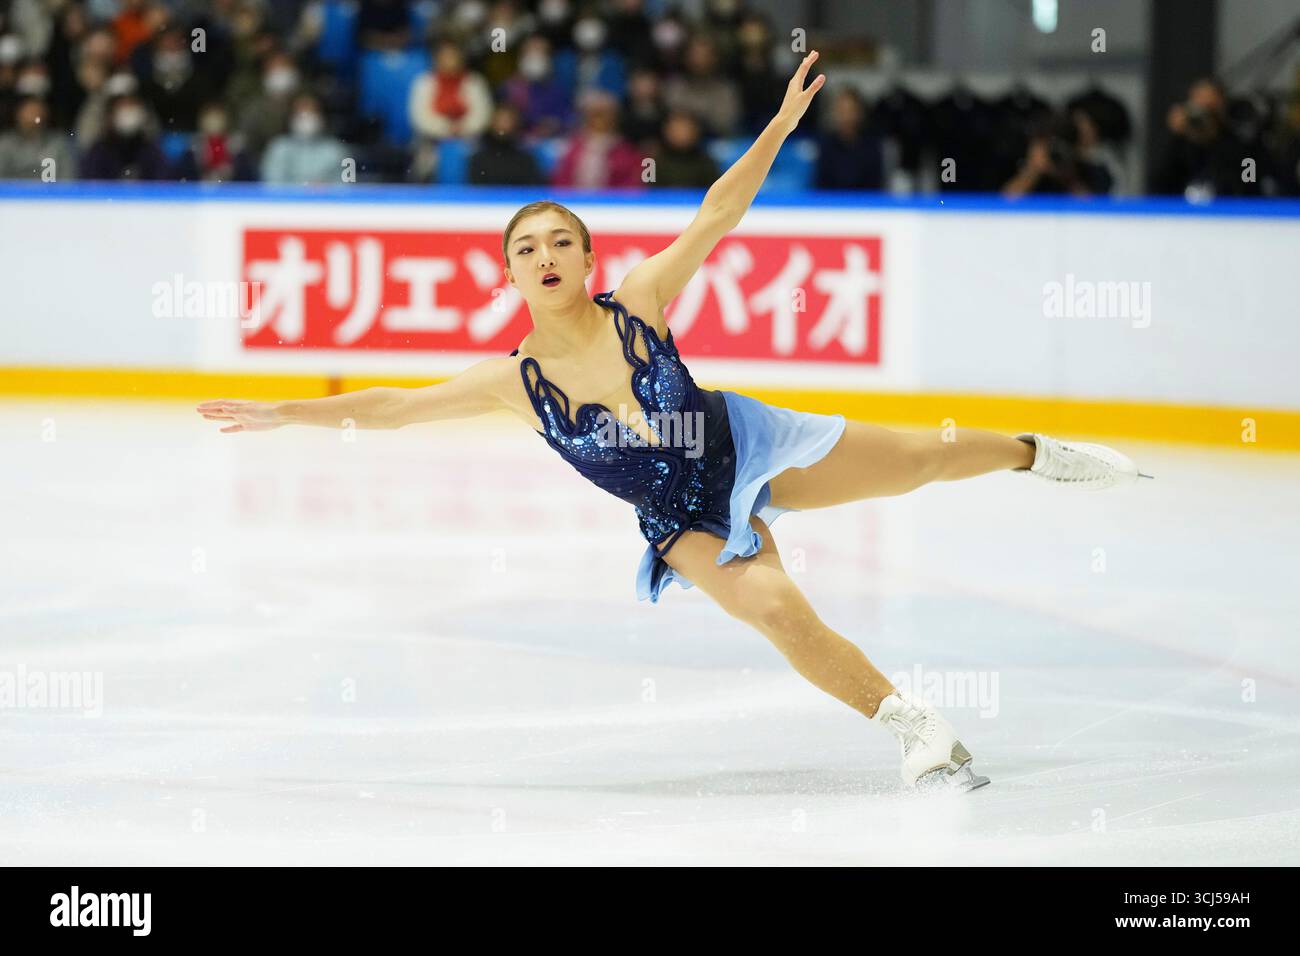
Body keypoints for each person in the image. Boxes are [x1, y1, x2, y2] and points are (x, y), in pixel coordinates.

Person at [197, 53, 1153, 794]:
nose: (545, 256)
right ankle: (917, 731)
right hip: (682, 517)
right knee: (778, 610)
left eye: (560, 241)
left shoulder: (640, 303)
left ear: (587, 254)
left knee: (920, 459)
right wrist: (287, 411)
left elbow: (717, 214)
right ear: (508, 274)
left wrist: (779, 126)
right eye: (525, 248)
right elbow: (397, 408)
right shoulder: (512, 380)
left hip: (746, 442)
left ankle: (1038, 455)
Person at [260, 93, 347, 184]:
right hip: (289, 198)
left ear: (322, 117)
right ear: (291, 117)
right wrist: (305, 188)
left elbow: (347, 186)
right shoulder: (279, 147)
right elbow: (272, 183)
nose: (306, 118)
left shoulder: (336, 150)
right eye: (301, 114)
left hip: (327, 198)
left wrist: (327, 189)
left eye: (312, 113)